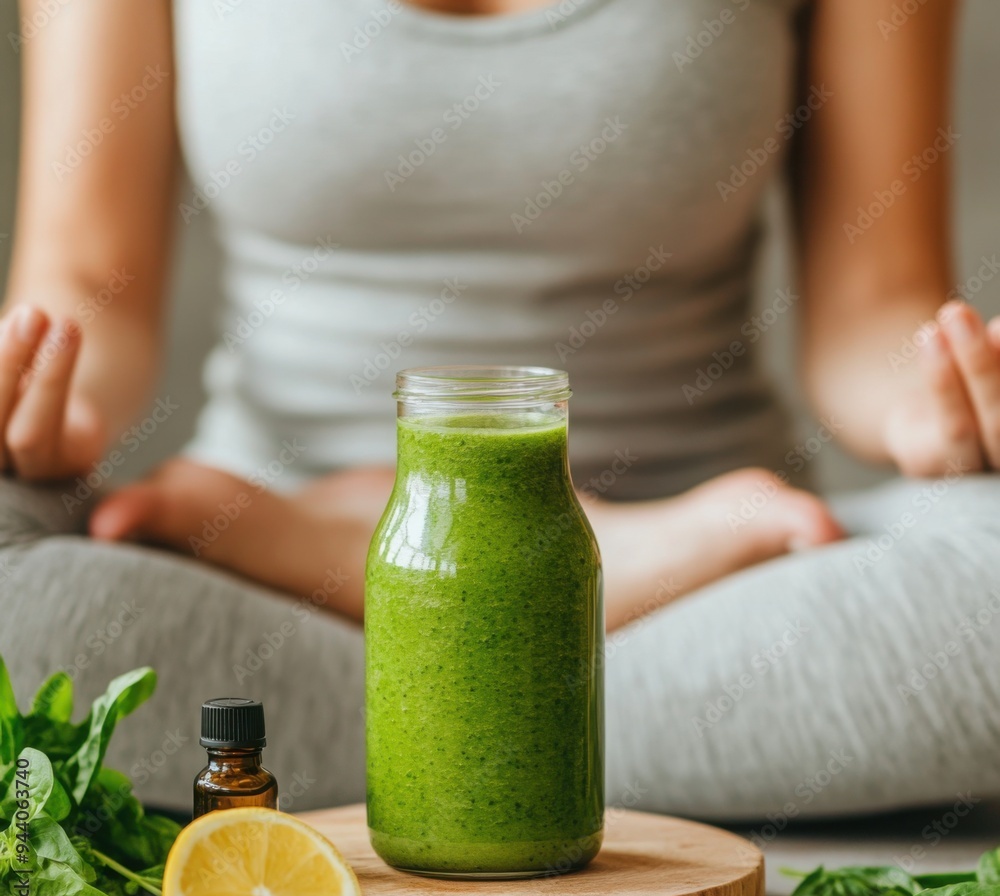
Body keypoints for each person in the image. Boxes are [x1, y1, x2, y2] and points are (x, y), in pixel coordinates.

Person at [2, 0, 999, 819]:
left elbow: (879, 298)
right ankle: (567, 685)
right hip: (251, 575)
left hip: (716, 584)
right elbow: (86, 280)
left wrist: (937, 402)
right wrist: (47, 404)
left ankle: (390, 672)